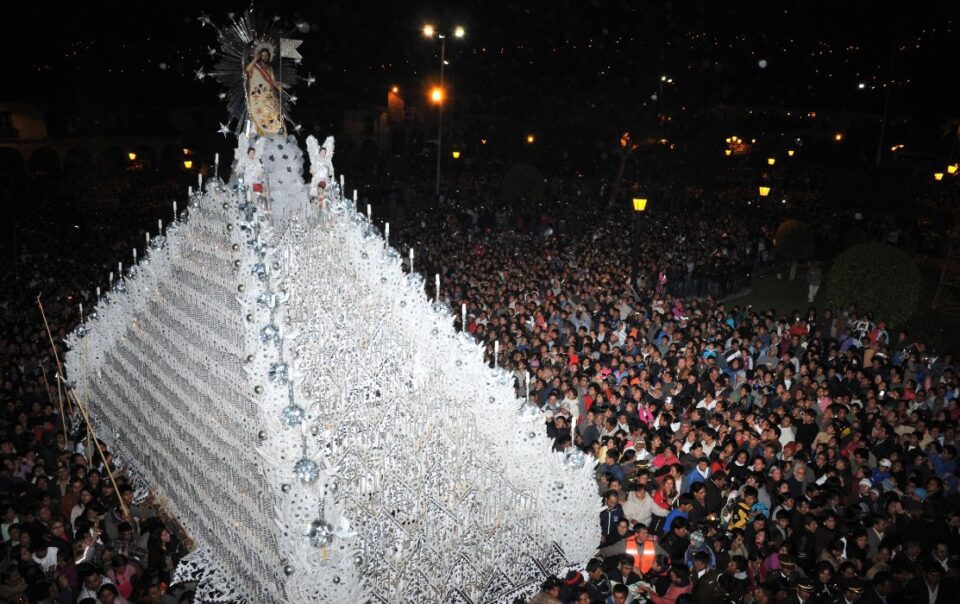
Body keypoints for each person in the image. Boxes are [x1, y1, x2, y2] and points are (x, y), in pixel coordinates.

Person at [245, 43, 285, 135]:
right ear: (260, 56)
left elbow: (273, 81)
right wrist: (255, 59)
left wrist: (278, 86)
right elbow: (247, 70)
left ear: (269, 56)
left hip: (269, 94)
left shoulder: (270, 68)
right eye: (263, 55)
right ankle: (262, 132)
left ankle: (275, 132)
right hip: (258, 95)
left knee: (274, 112)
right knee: (261, 114)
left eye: (266, 55)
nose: (265, 57)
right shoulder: (255, 66)